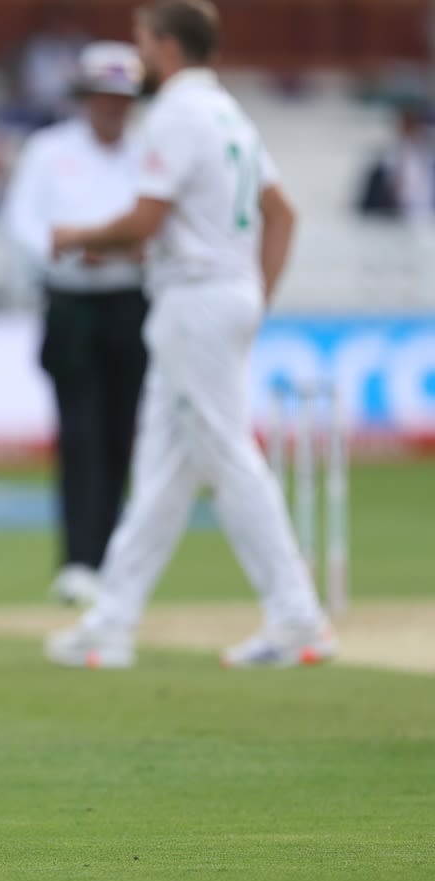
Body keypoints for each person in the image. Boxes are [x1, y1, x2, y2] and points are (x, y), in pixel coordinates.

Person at [45, 0, 336, 669]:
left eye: (144, 42)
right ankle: (113, 622)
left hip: (195, 300)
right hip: (215, 292)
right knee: (164, 465)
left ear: (167, 46)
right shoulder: (228, 111)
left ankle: (297, 616)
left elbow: (144, 223)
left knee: (228, 455)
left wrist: (76, 235)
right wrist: (253, 294)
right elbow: (281, 214)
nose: (141, 57)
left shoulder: (176, 112)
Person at [0, 41, 150, 607]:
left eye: (123, 98)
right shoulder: (49, 149)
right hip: (71, 303)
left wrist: (128, 254)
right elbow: (21, 221)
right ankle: (80, 560)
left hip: (131, 302)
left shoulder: (148, 151)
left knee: (122, 434)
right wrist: (65, 254)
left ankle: (113, 560)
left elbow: (158, 223)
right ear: (86, 98)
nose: (113, 107)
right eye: (104, 96)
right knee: (81, 433)